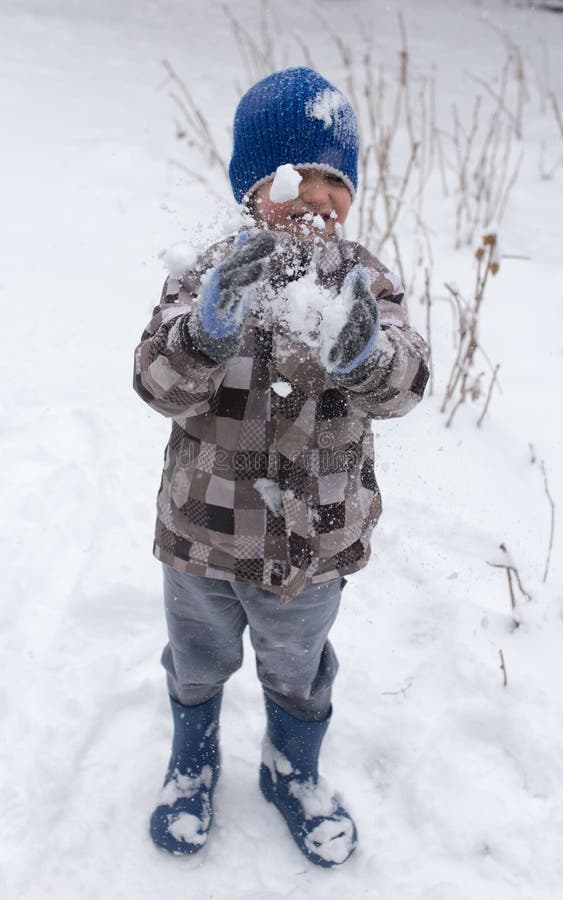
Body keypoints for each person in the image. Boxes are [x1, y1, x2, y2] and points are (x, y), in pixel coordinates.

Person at [133, 66, 429, 867]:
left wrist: (366, 356)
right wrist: (204, 332)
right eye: (296, 177)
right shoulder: (206, 274)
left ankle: (290, 769)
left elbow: (406, 385)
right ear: (253, 189)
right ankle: (192, 758)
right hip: (203, 535)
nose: (318, 195)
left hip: (311, 548)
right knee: (198, 661)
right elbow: (155, 385)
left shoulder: (365, 281)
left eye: (335, 179)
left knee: (298, 670)